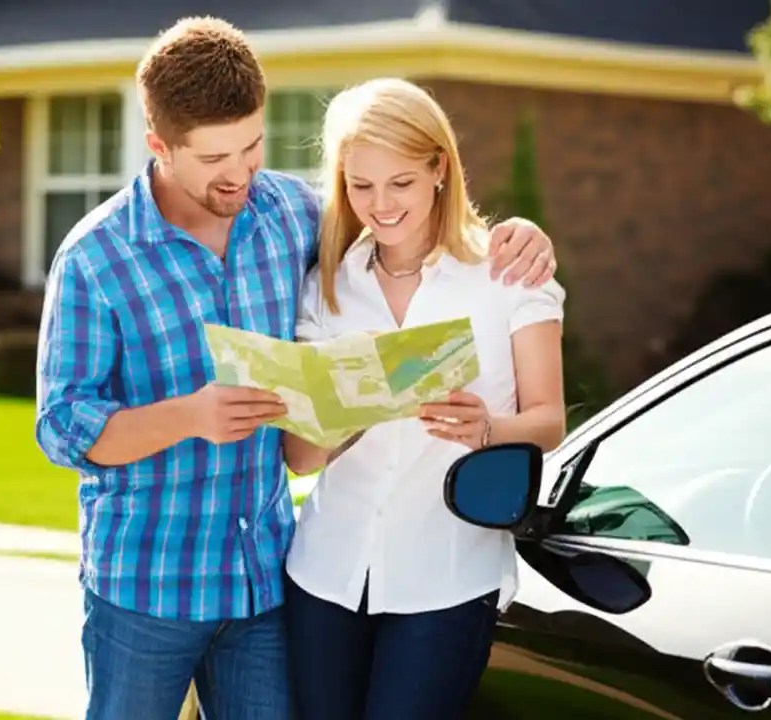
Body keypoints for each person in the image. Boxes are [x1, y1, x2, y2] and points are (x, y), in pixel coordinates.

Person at [33, 17, 560, 720]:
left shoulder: (288, 215)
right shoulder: (95, 258)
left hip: (264, 587)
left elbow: (399, 212)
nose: (242, 172)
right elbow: (62, 427)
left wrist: (521, 233)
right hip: (148, 588)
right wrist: (190, 416)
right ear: (160, 146)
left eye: (253, 145)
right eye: (217, 157)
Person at [281, 77, 569, 720]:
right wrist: (347, 411)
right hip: (326, 572)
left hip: (448, 577)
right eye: (361, 185)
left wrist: (489, 427)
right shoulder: (327, 287)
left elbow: (549, 421)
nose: (380, 205)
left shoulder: (507, 273)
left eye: (400, 182)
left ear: (440, 167)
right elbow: (300, 458)